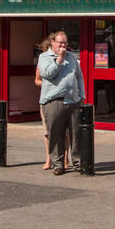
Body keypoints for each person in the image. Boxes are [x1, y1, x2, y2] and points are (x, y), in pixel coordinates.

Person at [38, 30, 81, 175]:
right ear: (53, 42)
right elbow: (47, 74)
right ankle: (58, 164)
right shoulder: (44, 57)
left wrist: (81, 95)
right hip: (53, 102)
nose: (63, 45)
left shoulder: (72, 57)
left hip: (72, 100)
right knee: (56, 134)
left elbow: (79, 76)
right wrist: (59, 59)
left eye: (65, 42)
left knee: (76, 133)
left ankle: (78, 162)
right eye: (60, 42)